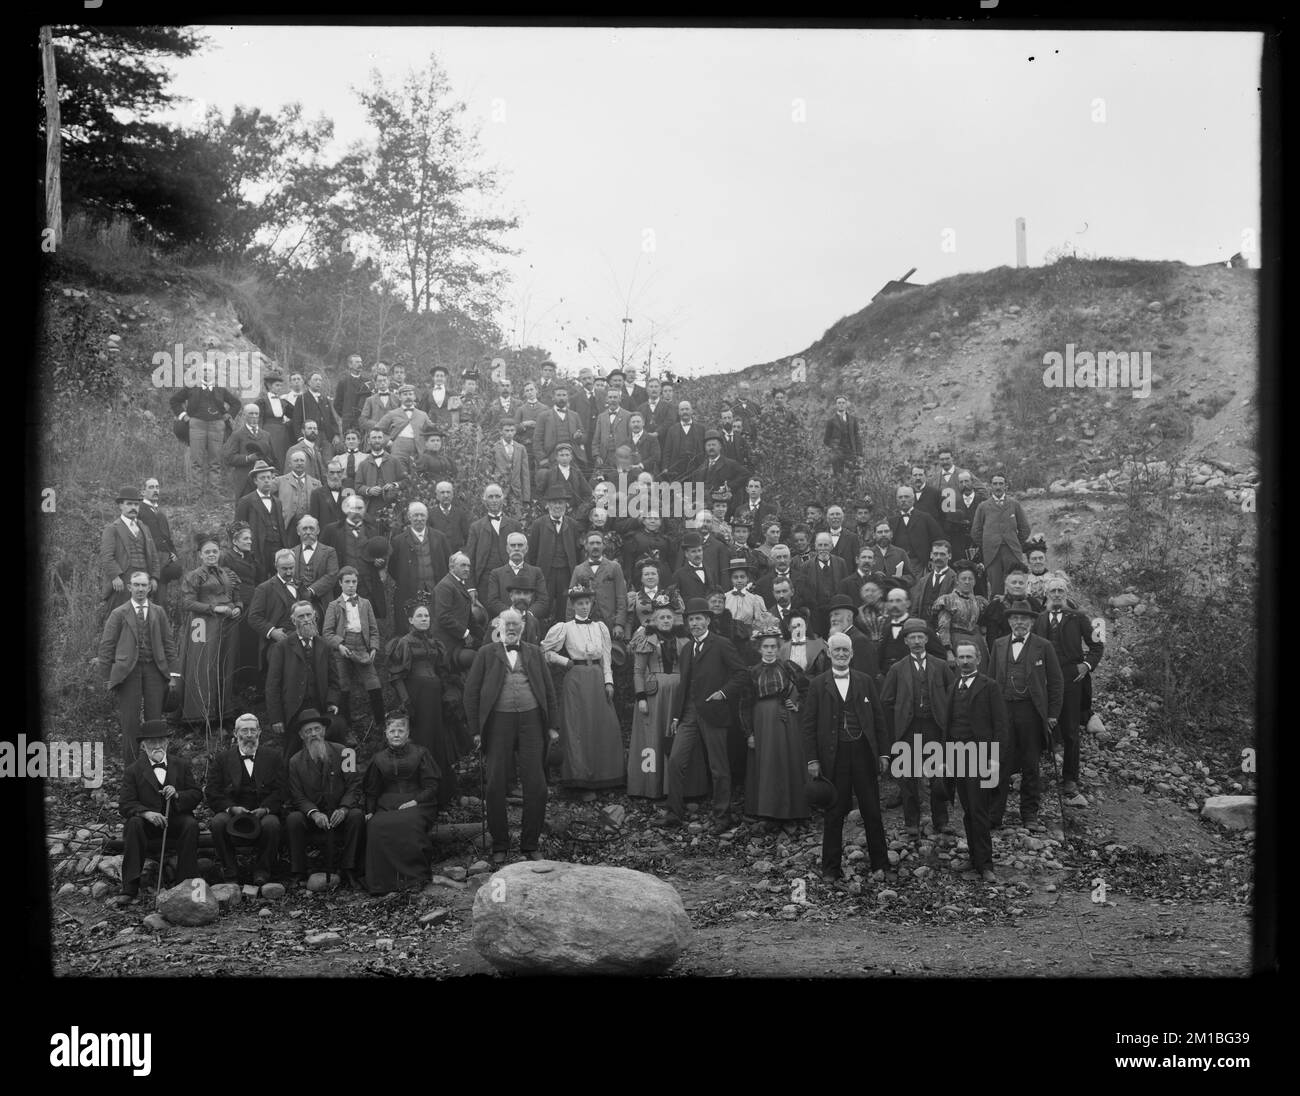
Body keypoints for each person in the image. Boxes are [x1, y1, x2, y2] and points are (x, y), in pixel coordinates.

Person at [464, 608, 560, 864]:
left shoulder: (534, 652)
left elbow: (549, 691)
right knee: (495, 783)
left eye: (516, 625)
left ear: (523, 627)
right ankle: (500, 844)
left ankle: (530, 844)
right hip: (498, 722)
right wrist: (475, 730)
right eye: (508, 624)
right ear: (499, 626)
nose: (512, 628)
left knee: (537, 784)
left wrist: (552, 725)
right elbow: (471, 693)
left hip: (531, 721)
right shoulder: (486, 653)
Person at [652, 597, 749, 833]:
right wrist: (676, 716)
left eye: (698, 619)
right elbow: (684, 685)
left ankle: (722, 816)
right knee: (675, 761)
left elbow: (742, 674)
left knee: (718, 768)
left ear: (707, 620)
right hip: (688, 714)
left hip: (714, 712)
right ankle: (675, 812)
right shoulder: (686, 649)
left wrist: (723, 693)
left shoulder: (722, 644)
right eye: (691, 619)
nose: (694, 623)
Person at [803, 632, 889, 882]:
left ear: (852, 654)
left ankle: (881, 864)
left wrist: (883, 752)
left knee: (872, 811)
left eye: (845, 651)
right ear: (829, 653)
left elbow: (879, 719)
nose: (841, 654)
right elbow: (808, 725)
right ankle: (831, 869)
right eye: (837, 650)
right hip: (834, 757)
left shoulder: (864, 681)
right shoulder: (818, 684)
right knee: (834, 813)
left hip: (863, 753)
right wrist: (812, 759)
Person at [386, 597, 467, 812]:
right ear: (411, 620)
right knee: (422, 740)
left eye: (427, 616)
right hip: (417, 699)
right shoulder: (404, 642)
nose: (424, 619)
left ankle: (443, 794)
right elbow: (396, 677)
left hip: (435, 700)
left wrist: (448, 693)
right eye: (420, 616)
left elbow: (442, 671)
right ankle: (420, 795)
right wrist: (406, 702)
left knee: (438, 741)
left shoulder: (434, 643)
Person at [541, 586, 623, 795]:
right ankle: (579, 777)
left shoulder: (600, 627)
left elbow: (606, 657)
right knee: (577, 726)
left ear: (591, 603)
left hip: (596, 677)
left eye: (587, 603)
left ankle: (603, 776)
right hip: (575, 678)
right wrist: (564, 661)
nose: (584, 607)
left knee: (602, 725)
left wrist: (609, 682)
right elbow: (545, 650)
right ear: (573, 605)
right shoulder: (565, 627)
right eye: (579, 603)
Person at [988, 599, 1062, 831]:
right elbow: (990, 682)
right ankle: (994, 813)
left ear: (1031, 621)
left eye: (1024, 618)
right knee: (999, 762)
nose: (1019, 622)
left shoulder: (1044, 646)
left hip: (1031, 711)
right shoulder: (998, 645)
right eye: (1015, 618)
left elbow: (1057, 683)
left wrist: (1052, 715)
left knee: (1031, 764)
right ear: (1009, 621)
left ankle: (1029, 813)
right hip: (1003, 711)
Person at [881, 618, 955, 837]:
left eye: (920, 637)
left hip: (934, 726)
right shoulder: (897, 668)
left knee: (938, 776)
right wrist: (898, 719)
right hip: (909, 729)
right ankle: (911, 822)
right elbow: (886, 700)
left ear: (926, 639)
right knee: (908, 777)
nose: (916, 641)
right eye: (911, 638)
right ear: (906, 641)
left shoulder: (940, 665)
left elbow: (952, 696)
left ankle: (941, 821)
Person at [97, 571, 180, 765]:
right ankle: (132, 768)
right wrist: (107, 677)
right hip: (128, 673)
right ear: (129, 587)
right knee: (130, 723)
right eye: (136, 585)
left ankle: (156, 764)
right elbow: (106, 646)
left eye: (144, 585)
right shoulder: (119, 613)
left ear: (149, 587)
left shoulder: (158, 612)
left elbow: (169, 644)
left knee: (155, 723)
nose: (140, 589)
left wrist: (174, 674)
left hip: (154, 670)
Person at [114, 721, 202, 904]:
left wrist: (178, 794)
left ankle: (185, 883)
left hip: (175, 821)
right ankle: (130, 887)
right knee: (133, 823)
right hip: (147, 825)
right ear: (143, 745)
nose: (157, 746)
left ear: (167, 743)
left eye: (161, 741)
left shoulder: (181, 765)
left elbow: (196, 794)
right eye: (152, 742)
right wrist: (146, 813)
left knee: (191, 824)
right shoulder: (133, 770)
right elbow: (125, 804)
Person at [1034, 575, 1103, 804]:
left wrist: (1086, 665)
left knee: (1071, 729)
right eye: (1052, 591)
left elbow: (1097, 644)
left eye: (1060, 591)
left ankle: (1070, 778)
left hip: (1071, 679)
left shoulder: (1079, 617)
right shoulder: (1039, 619)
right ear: (1046, 594)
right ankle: (1038, 774)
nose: (1056, 595)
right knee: (1044, 724)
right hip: (1045, 680)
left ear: (1066, 594)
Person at [628, 599, 704, 799]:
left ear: (676, 619)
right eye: (661, 617)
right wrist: (641, 696)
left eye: (669, 617)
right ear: (654, 619)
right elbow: (637, 671)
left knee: (680, 738)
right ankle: (651, 786)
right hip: (655, 697)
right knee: (652, 738)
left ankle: (681, 788)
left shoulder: (686, 642)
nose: (666, 620)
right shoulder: (646, 639)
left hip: (680, 695)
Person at [945, 642, 1005, 883]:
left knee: (979, 810)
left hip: (980, 755)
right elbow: (948, 725)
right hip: (957, 754)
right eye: (961, 657)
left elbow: (1001, 725)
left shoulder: (989, 687)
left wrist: (994, 758)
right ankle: (974, 857)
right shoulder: (953, 687)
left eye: (970, 657)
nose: (965, 661)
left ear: (978, 659)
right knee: (968, 809)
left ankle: (986, 865)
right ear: (957, 661)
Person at [285, 710, 365, 889]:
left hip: (339, 814)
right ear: (301, 735)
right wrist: (313, 813)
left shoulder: (346, 753)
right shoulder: (294, 762)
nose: (313, 734)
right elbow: (297, 795)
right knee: (293, 819)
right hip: (314, 818)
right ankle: (298, 871)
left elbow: (355, 785)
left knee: (357, 816)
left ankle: (350, 869)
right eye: (308, 731)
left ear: (324, 730)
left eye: (317, 729)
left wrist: (344, 809)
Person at [363, 714, 441, 894]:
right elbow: (372, 790)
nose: (396, 734)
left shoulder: (420, 753)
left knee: (408, 822)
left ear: (408, 733)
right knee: (376, 825)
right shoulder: (378, 759)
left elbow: (432, 785)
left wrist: (415, 801)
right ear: (386, 734)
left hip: (418, 801)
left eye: (400, 730)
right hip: (387, 802)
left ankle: (413, 878)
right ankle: (382, 883)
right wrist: (369, 811)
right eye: (392, 731)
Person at [743, 620, 808, 831]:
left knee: (787, 761)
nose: (770, 650)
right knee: (767, 764)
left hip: (786, 720)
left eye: (773, 646)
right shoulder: (752, 672)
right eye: (766, 647)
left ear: (779, 647)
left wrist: (797, 703)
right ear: (759, 648)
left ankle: (792, 812)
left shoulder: (788, 667)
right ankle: (768, 812)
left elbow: (807, 688)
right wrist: (749, 733)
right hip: (762, 722)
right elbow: (744, 704)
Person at [204, 714, 284, 885]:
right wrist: (231, 808)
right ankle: (231, 873)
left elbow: (281, 789)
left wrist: (266, 808)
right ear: (236, 733)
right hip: (233, 811)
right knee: (218, 823)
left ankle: (262, 872)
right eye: (244, 730)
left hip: (262, 811)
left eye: (252, 730)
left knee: (272, 824)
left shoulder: (274, 757)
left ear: (259, 733)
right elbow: (212, 791)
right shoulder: (222, 759)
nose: (249, 734)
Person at [177, 533, 242, 727]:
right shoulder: (194, 576)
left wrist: (238, 606)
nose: (211, 554)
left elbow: (237, 595)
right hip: (203, 624)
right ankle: (200, 714)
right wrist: (214, 608)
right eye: (207, 552)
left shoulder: (227, 573)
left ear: (220, 553)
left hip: (228, 624)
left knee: (225, 664)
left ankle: (223, 711)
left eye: (215, 551)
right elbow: (188, 603)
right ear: (200, 555)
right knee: (204, 666)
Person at [266, 600, 343, 758]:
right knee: (291, 753)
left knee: (335, 739)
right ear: (293, 621)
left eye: (309, 615)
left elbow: (334, 680)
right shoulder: (282, 647)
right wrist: (276, 718)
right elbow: (272, 686)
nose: (306, 619)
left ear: (315, 616)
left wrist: (332, 702)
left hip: (320, 708)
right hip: (293, 711)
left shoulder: (324, 645)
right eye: (301, 616)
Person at [323, 566, 386, 736]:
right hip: (343, 647)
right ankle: (347, 727)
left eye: (354, 582)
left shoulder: (365, 603)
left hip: (362, 646)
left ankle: (381, 724)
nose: (351, 585)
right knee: (343, 685)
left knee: (373, 683)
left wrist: (373, 647)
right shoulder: (334, 605)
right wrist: (340, 645)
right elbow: (327, 633)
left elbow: (373, 629)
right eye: (347, 582)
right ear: (340, 583)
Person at [169, 364, 241, 495]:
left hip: (217, 426)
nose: (206, 372)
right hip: (196, 425)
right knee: (196, 460)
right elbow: (174, 400)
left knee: (215, 461)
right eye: (204, 370)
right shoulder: (191, 388)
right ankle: (196, 493)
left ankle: (215, 493)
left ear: (214, 373)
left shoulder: (220, 390)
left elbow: (236, 403)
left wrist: (228, 415)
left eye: (209, 370)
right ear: (200, 373)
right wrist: (184, 416)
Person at [388, 502, 451, 635]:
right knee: (409, 628)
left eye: (422, 515)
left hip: (435, 590)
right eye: (415, 515)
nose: (419, 519)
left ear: (427, 517)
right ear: (409, 518)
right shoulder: (398, 541)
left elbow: (447, 563)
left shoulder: (440, 538)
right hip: (409, 592)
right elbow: (393, 569)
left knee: (436, 627)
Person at [971, 473, 1032, 597]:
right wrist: (987, 545)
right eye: (995, 484)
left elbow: (1025, 528)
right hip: (992, 554)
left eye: (1001, 484)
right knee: (996, 589)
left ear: (1006, 486)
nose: (998, 487)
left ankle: (1016, 613)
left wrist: (1014, 542)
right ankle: (996, 615)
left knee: (1015, 584)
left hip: (1012, 551)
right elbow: (975, 531)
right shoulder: (983, 506)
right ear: (990, 487)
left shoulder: (1014, 504)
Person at [100, 487, 159, 614]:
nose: (133, 507)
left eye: (136, 504)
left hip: (144, 579)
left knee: (142, 616)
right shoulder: (112, 529)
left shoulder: (144, 528)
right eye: (129, 504)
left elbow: (153, 555)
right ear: (121, 506)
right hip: (123, 580)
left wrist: (154, 577)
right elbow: (106, 556)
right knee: (120, 616)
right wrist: (115, 576)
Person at [527, 483, 583, 615]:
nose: (557, 506)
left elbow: (578, 552)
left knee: (564, 609)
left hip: (566, 574)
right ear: (547, 505)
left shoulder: (573, 525)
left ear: (566, 505)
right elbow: (532, 553)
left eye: (560, 503)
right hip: (546, 574)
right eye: (554, 503)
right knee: (543, 606)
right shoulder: (538, 524)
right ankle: (540, 635)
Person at [221, 521, 263, 692]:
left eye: (250, 538)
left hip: (253, 605)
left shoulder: (249, 556)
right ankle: (236, 683)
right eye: (246, 538)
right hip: (238, 606)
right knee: (238, 644)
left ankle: (250, 681)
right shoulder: (227, 556)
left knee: (251, 642)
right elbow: (226, 583)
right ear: (235, 541)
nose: (250, 541)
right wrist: (234, 604)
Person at [569, 531, 628, 641]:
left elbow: (621, 597)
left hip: (609, 622)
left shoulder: (614, 567)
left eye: (598, 543)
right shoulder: (578, 570)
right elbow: (571, 600)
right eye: (591, 543)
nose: (595, 546)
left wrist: (619, 623)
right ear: (586, 546)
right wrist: (570, 625)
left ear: (603, 546)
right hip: (585, 622)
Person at [465, 483, 522, 592]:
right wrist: (471, 587)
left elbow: (523, 555)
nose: (494, 500)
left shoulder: (515, 525)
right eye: (490, 497)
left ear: (503, 499)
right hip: (484, 582)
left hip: (511, 580)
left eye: (497, 496)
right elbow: (470, 559)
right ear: (484, 500)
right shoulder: (476, 527)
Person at [934, 559, 990, 670]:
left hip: (976, 643)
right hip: (956, 642)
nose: (967, 582)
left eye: (970, 579)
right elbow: (943, 628)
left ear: (974, 582)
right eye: (964, 579)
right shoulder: (948, 600)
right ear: (957, 581)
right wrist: (948, 651)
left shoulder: (979, 602)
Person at [234, 460, 288, 575]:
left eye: (269, 477)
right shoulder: (246, 501)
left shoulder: (277, 502)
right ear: (255, 481)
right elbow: (237, 529)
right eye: (263, 478)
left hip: (277, 548)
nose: (267, 481)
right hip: (257, 551)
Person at [485, 531, 549, 622]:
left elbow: (543, 601)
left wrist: (527, 615)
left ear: (526, 549)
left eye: (520, 545)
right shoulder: (496, 574)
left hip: (531, 624)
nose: (516, 548)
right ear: (507, 549)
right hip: (505, 623)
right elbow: (493, 602)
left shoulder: (536, 572)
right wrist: (511, 615)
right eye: (513, 545)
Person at [138, 477, 182, 608]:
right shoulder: (140, 510)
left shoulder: (160, 513)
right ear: (143, 492)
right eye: (151, 487)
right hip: (150, 558)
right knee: (148, 595)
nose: (155, 490)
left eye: (157, 487)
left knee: (161, 598)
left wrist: (173, 553)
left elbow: (167, 538)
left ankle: (162, 622)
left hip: (164, 558)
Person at [291, 516, 340, 620]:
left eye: (311, 528)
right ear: (298, 532)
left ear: (318, 531)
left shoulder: (329, 552)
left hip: (322, 601)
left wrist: (311, 591)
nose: (308, 532)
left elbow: (332, 576)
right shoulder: (292, 553)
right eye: (304, 529)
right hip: (297, 602)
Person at [891, 486, 945, 579]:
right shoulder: (892, 521)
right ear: (896, 501)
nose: (903, 500)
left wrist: (933, 559)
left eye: (906, 497)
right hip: (898, 564)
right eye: (900, 497)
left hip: (920, 564)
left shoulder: (925, 518)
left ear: (913, 499)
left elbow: (938, 538)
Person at [223, 403, 273, 501]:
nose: (254, 417)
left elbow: (272, 458)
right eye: (251, 414)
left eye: (256, 414)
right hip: (244, 481)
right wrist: (247, 458)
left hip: (263, 482)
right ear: (245, 416)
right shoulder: (237, 435)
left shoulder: (266, 435)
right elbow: (228, 458)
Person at [354, 428, 407, 514]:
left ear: (383, 440)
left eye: (379, 437)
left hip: (392, 505)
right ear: (368, 441)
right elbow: (358, 487)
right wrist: (369, 490)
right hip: (371, 506)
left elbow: (405, 481)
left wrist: (394, 485)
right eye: (374, 438)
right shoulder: (363, 464)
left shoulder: (394, 461)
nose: (377, 440)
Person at [659, 400, 704, 483]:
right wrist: (665, 467)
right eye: (682, 410)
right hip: (676, 470)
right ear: (679, 412)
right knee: (677, 494)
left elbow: (704, 449)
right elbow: (667, 451)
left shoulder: (701, 429)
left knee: (698, 494)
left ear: (691, 411)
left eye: (687, 409)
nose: (685, 412)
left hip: (696, 469)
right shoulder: (672, 430)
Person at [257, 372, 294, 470]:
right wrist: (259, 435)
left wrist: (288, 424)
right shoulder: (262, 402)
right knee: (270, 456)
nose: (279, 388)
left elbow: (296, 414)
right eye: (277, 385)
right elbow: (258, 420)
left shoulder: (283, 402)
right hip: (268, 433)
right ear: (269, 385)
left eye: (281, 386)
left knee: (282, 457)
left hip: (282, 434)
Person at [492, 420, 532, 506]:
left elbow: (525, 474)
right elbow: (490, 472)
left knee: (517, 517)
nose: (509, 433)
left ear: (515, 432)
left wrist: (526, 497)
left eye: (512, 430)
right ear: (501, 432)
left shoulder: (521, 448)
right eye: (506, 430)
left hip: (516, 491)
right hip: (499, 491)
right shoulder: (494, 448)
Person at [822, 395, 863, 476]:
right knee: (838, 476)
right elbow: (826, 440)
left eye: (843, 403)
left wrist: (859, 453)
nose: (841, 404)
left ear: (846, 404)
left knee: (852, 477)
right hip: (837, 454)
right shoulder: (831, 421)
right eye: (839, 403)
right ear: (836, 405)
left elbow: (857, 437)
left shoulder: (853, 419)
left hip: (851, 452)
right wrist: (835, 447)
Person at [428, 480, 470, 555]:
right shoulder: (430, 515)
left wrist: (463, 552)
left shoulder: (461, 514)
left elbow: (468, 537)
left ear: (452, 495)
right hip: (438, 556)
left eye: (448, 492)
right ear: (437, 496)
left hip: (458, 556)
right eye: (442, 492)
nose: (446, 495)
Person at [334, 353, 372, 436]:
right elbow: (337, 403)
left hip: (363, 421)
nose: (360, 364)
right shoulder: (343, 382)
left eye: (361, 362)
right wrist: (346, 414)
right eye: (357, 362)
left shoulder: (367, 382)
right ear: (350, 365)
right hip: (348, 422)